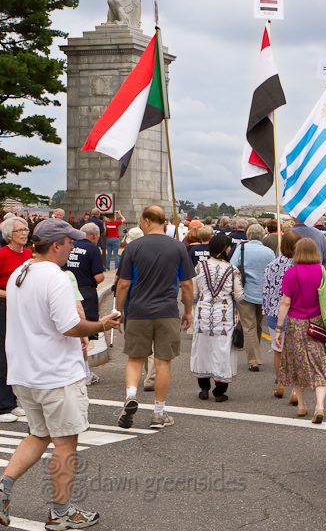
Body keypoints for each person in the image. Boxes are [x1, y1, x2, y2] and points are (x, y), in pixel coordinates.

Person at [0, 218, 120, 530]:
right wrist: (101, 324)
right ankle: (61, 513)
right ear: (56, 245)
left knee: (39, 434)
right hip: (55, 373)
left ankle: (3, 488)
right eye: (69, 242)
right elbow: (70, 326)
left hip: (25, 372)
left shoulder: (20, 273)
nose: (72, 247)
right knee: (65, 443)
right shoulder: (55, 277)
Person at [114, 206, 196, 430]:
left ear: (148, 221)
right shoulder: (178, 247)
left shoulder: (133, 247)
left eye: (141, 221)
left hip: (138, 311)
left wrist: (118, 312)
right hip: (167, 311)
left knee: (135, 359)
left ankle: (131, 395)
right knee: (162, 363)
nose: (140, 225)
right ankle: (158, 413)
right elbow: (187, 284)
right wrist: (188, 311)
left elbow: (123, 284)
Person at [274, 238, 326, 423]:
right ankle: (319, 406)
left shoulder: (291, 273)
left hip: (296, 324)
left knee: (297, 364)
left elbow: (285, 302)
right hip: (318, 324)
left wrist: (279, 328)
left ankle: (302, 405)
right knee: (320, 365)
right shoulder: (322, 271)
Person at [190, 234, 243, 402]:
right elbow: (239, 296)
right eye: (228, 246)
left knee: (203, 348)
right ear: (224, 249)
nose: (230, 249)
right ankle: (219, 390)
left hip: (203, 313)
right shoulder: (232, 270)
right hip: (224, 315)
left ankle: (204, 387)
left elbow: (194, 294)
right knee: (222, 348)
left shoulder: (200, 267)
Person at [64, 222, 105, 386]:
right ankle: (85, 373)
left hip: (64, 289)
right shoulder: (93, 249)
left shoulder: (69, 246)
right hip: (85, 293)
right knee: (83, 335)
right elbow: (98, 277)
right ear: (95, 235)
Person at [231, 224, 275, 372]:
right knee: (258, 324)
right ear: (263, 236)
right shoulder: (269, 252)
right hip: (264, 292)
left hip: (245, 290)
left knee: (248, 325)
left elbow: (233, 267)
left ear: (248, 235)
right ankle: (255, 353)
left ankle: (253, 359)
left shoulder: (241, 248)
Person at [263, 230, 301, 400]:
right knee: (296, 352)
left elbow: (265, 290)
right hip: (296, 313)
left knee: (278, 350)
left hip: (274, 312)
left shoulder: (271, 265)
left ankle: (280, 384)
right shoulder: (300, 267)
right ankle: (295, 390)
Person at [0, 217, 31, 424]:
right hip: (4, 308)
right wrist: (12, 295)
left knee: (18, 354)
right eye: (19, 230)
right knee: (3, 356)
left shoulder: (28, 254)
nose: (24, 233)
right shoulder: (2, 255)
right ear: (8, 235)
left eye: (25, 229)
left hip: (23, 309)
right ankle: (3, 405)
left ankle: (13, 401)